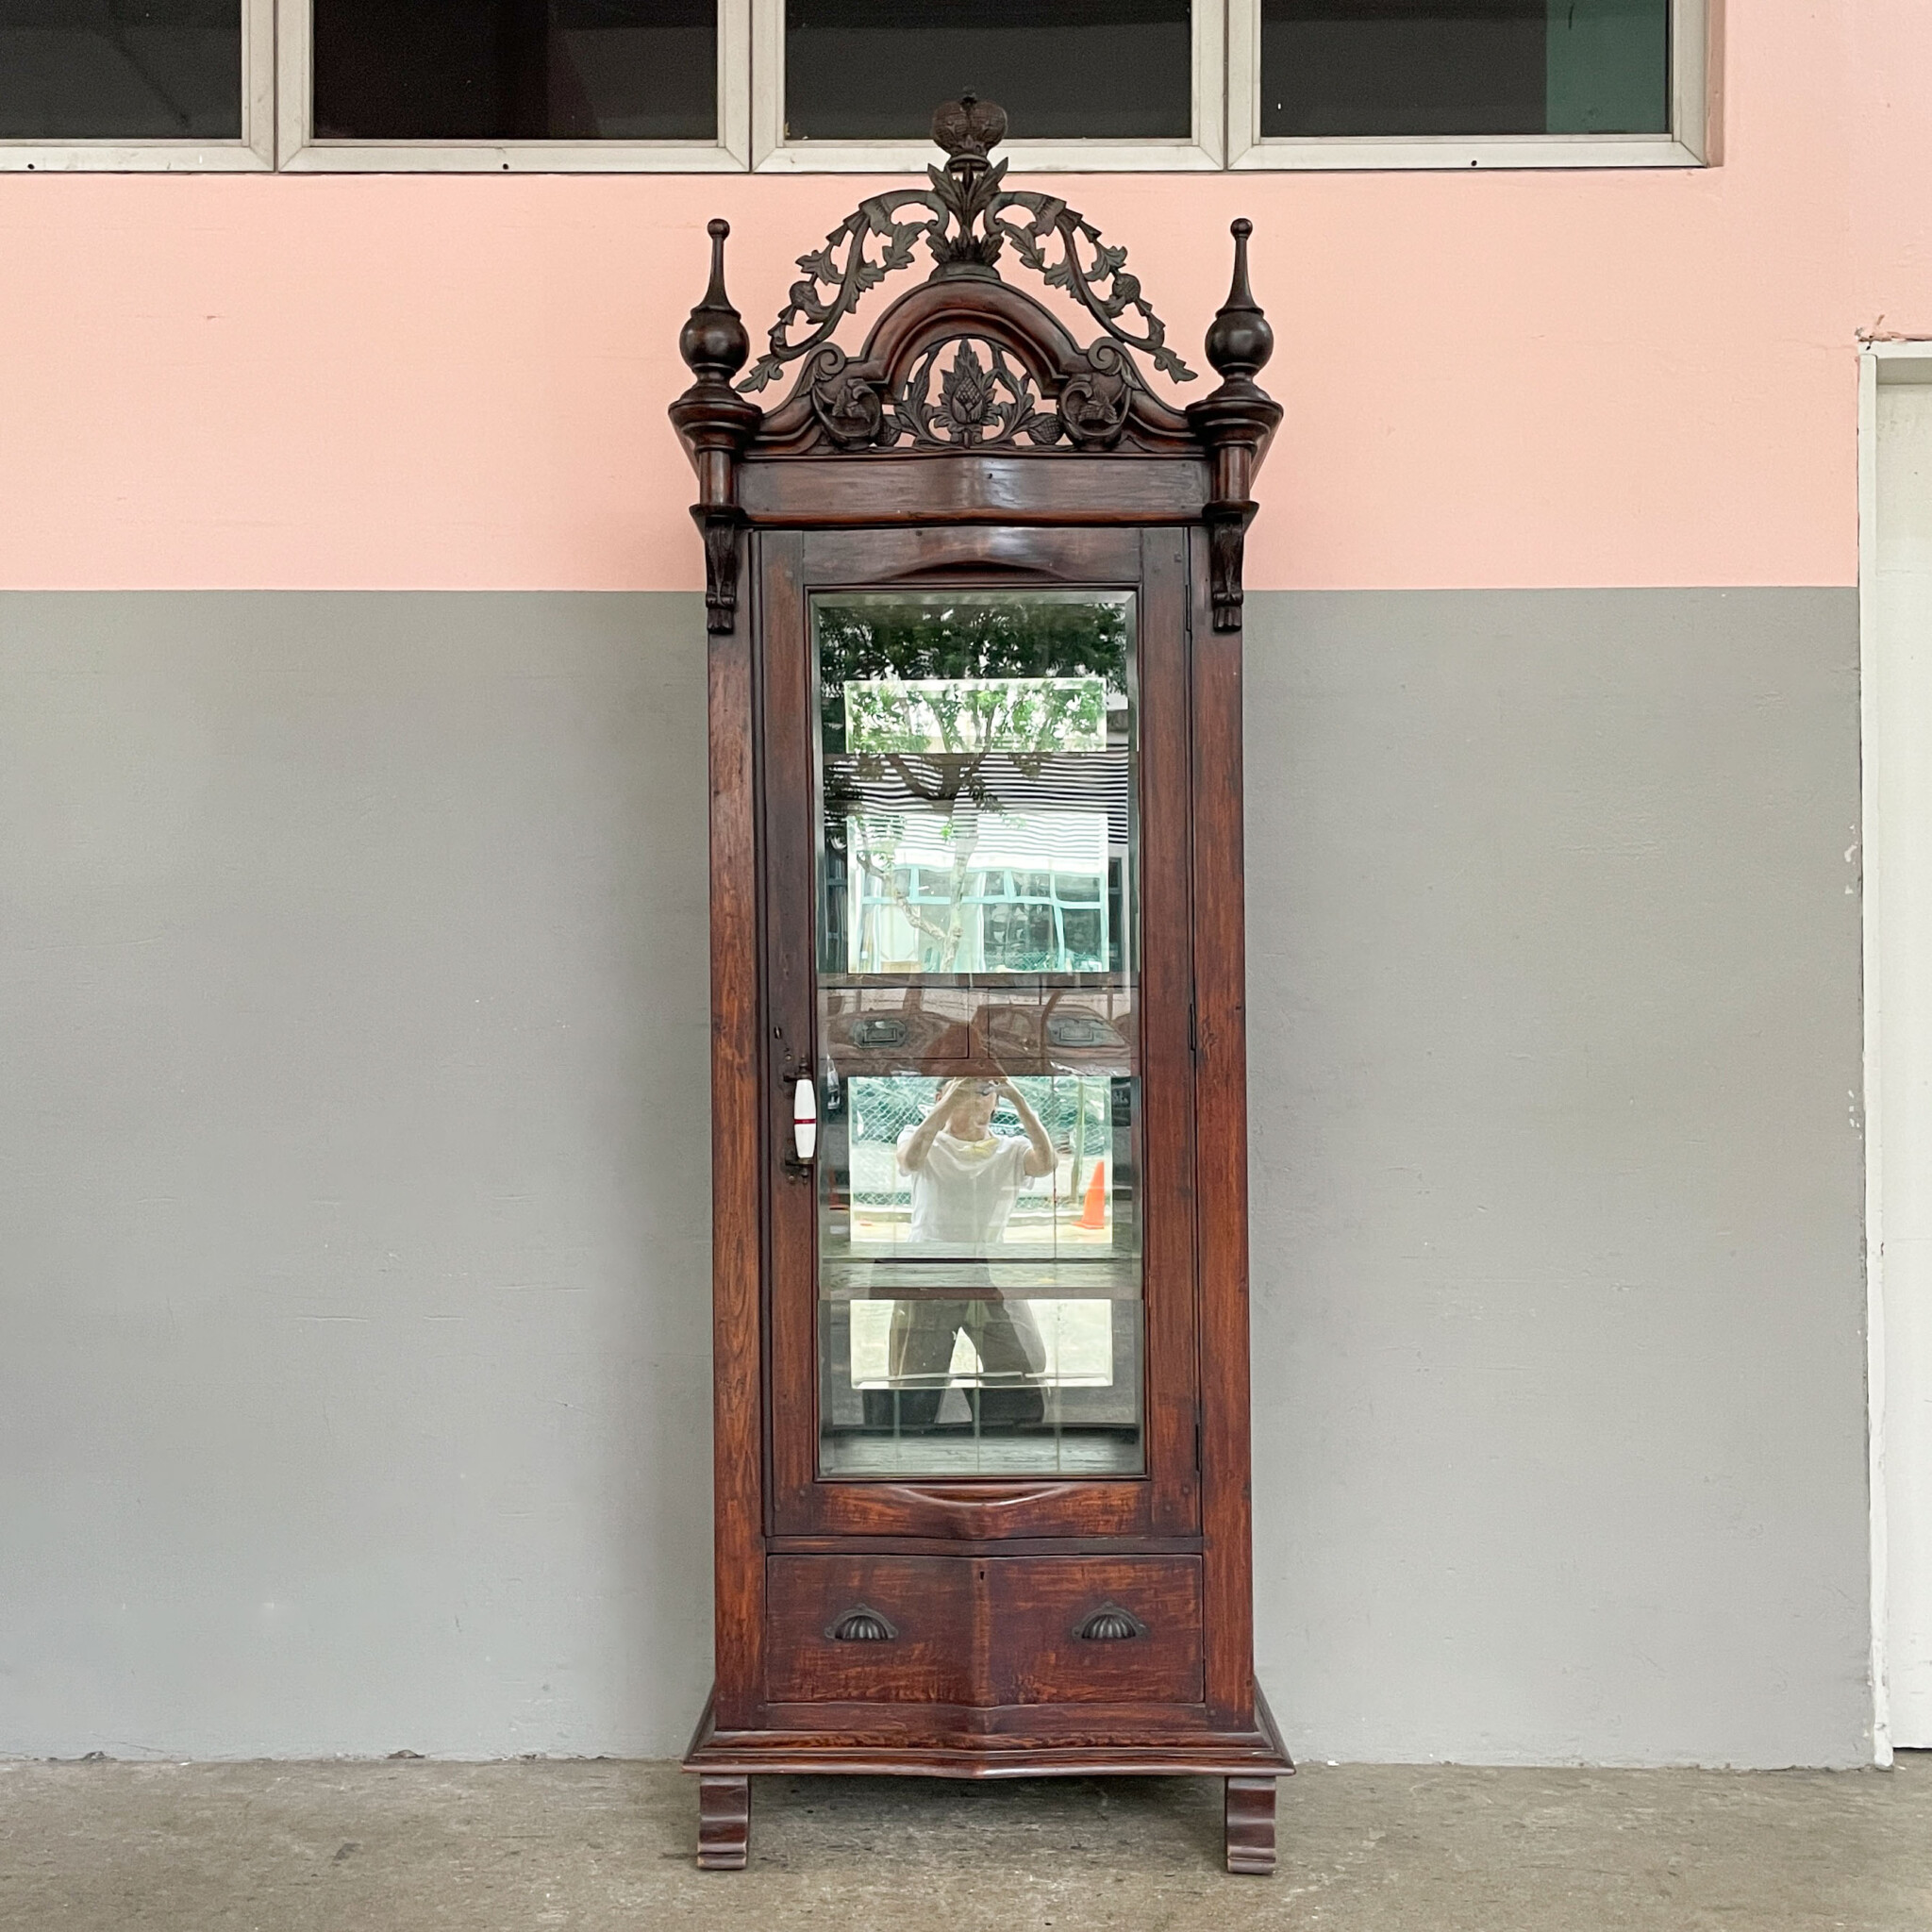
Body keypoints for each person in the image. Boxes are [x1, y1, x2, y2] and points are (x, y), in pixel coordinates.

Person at [871, 1075, 1057, 1432]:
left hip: (990, 1276)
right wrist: (946, 1104)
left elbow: (1046, 1163)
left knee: (1025, 1362)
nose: (975, 1094)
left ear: (995, 1101)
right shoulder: (922, 1137)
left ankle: (1003, 1444)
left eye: (985, 1089)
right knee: (914, 1378)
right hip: (928, 1274)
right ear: (941, 1096)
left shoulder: (1011, 1149)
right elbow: (910, 1160)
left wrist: (1019, 1100)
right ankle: (912, 1449)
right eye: (962, 1087)